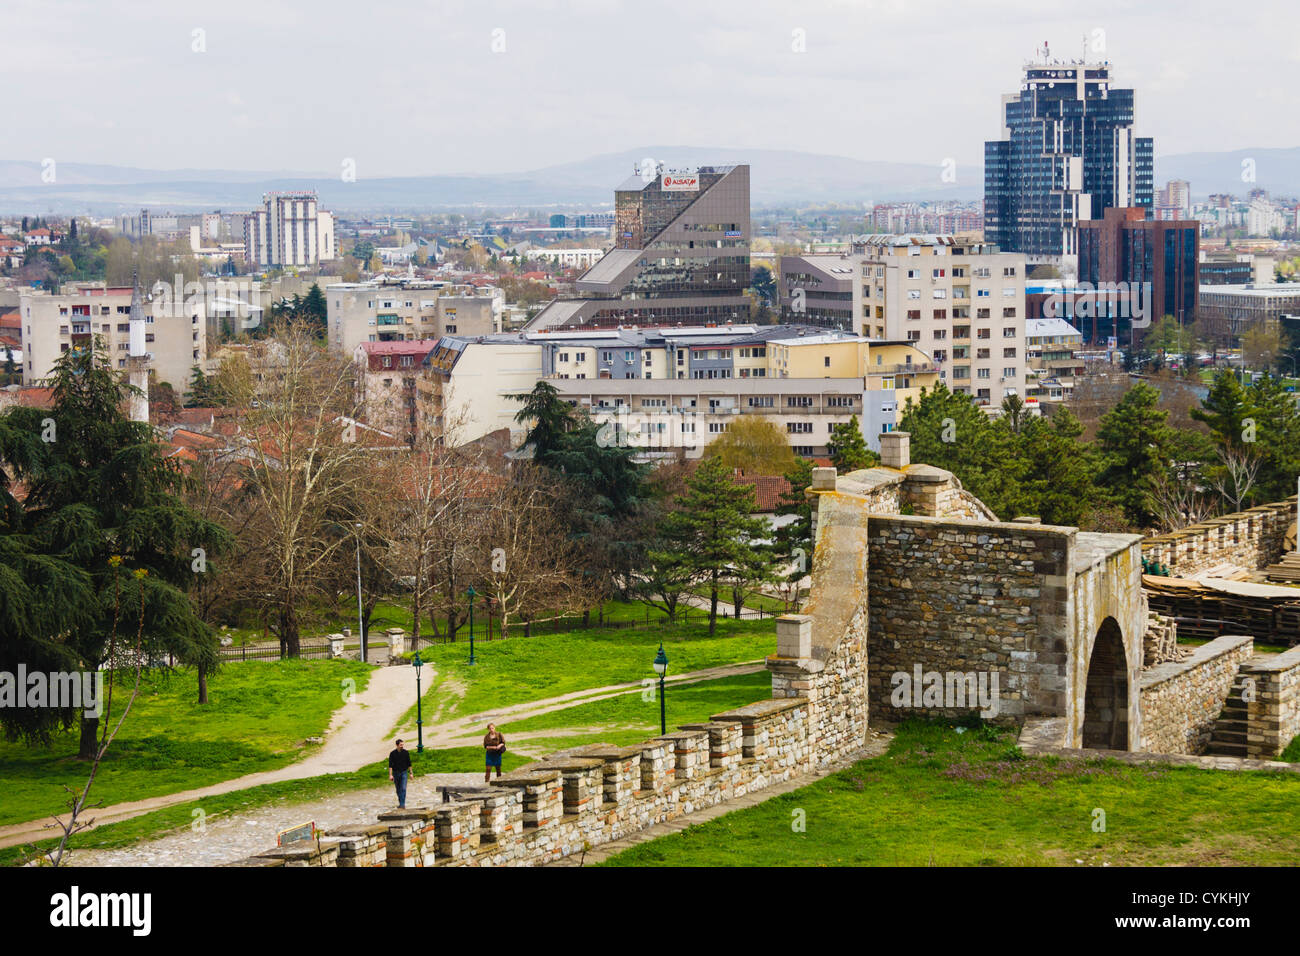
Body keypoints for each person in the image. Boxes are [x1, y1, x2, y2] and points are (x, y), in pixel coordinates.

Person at [388, 738, 413, 808]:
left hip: (404, 773)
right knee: (398, 789)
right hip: (396, 773)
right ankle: (401, 803)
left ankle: (402, 804)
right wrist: (390, 775)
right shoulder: (392, 754)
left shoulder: (406, 752)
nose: (402, 746)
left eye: (402, 745)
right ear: (397, 745)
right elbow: (390, 765)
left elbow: (409, 763)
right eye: (400, 745)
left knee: (403, 788)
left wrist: (411, 773)